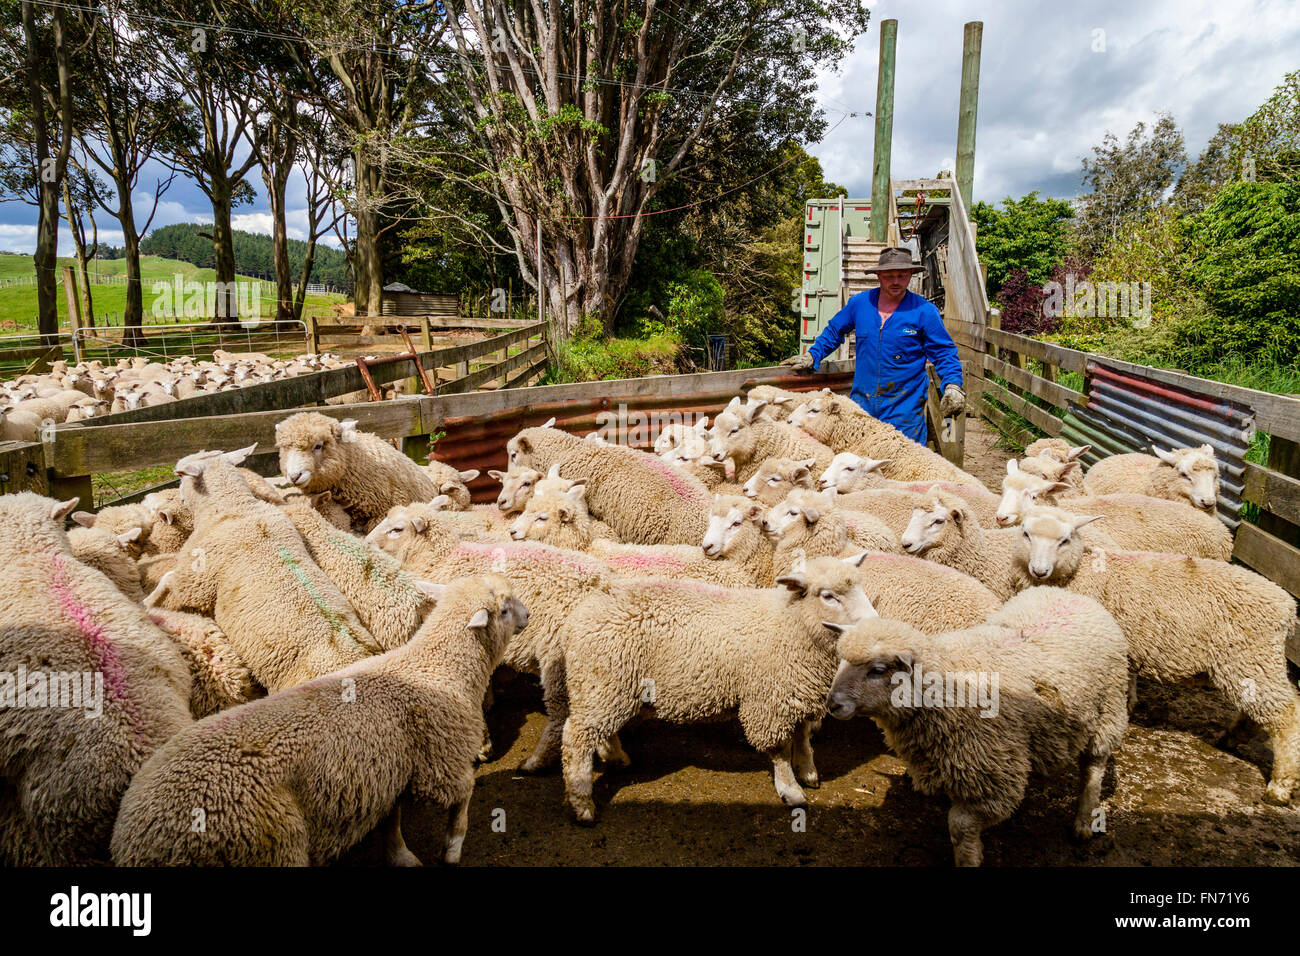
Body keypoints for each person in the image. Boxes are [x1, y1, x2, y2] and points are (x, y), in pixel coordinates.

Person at [780, 246, 964, 444]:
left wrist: (953, 384)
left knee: (903, 468)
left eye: (901, 275)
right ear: (878, 275)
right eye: (889, 275)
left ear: (911, 274)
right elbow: (835, 330)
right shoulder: (860, 303)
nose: (895, 281)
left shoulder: (924, 311)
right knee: (859, 466)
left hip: (903, 411)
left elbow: (944, 352)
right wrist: (813, 355)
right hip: (862, 407)